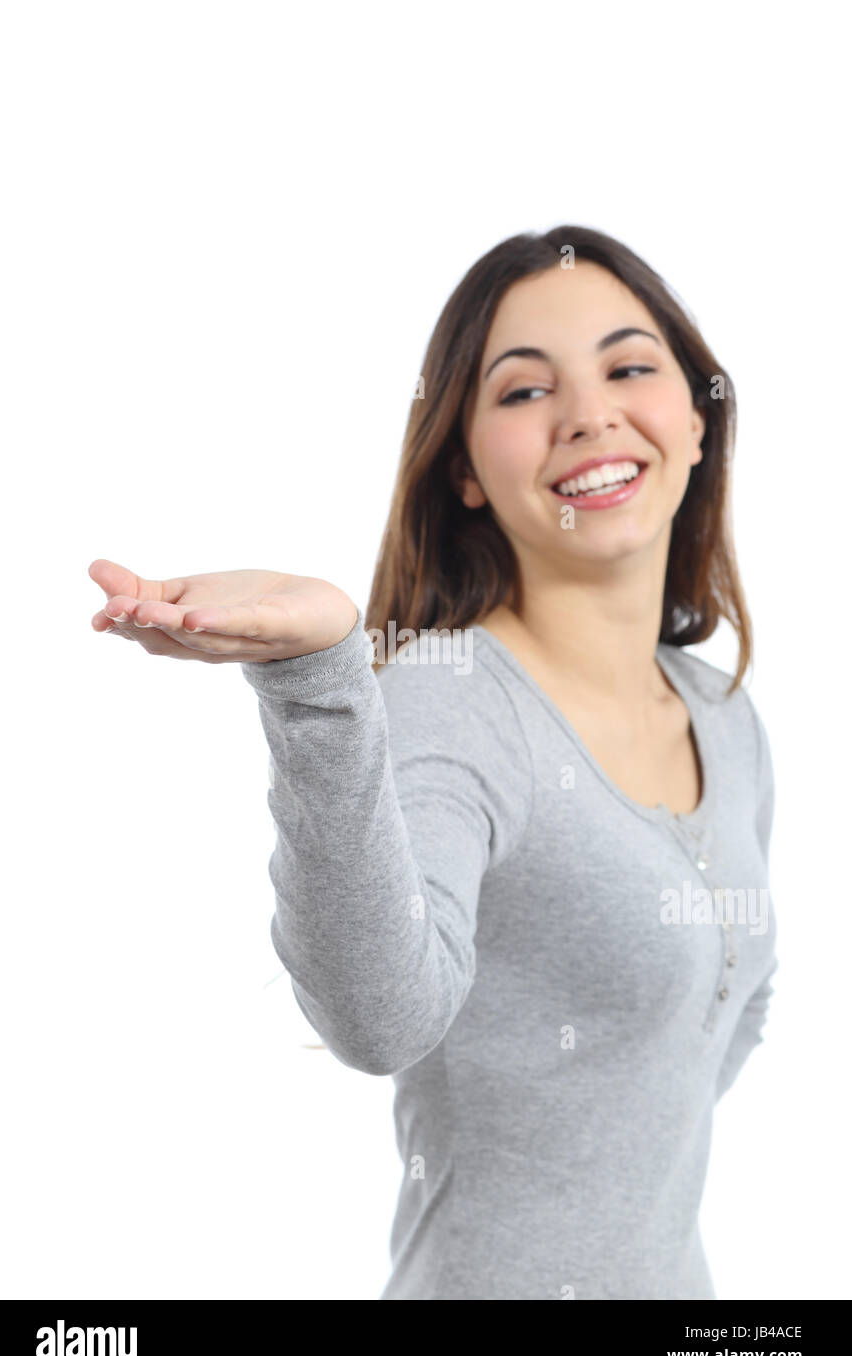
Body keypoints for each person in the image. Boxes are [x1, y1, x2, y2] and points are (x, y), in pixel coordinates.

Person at [88, 224, 778, 1300]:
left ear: (695, 417)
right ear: (462, 469)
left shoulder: (721, 715)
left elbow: (736, 1000)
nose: (589, 412)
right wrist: (320, 677)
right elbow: (378, 1019)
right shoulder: (452, 697)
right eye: (520, 391)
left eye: (628, 366)